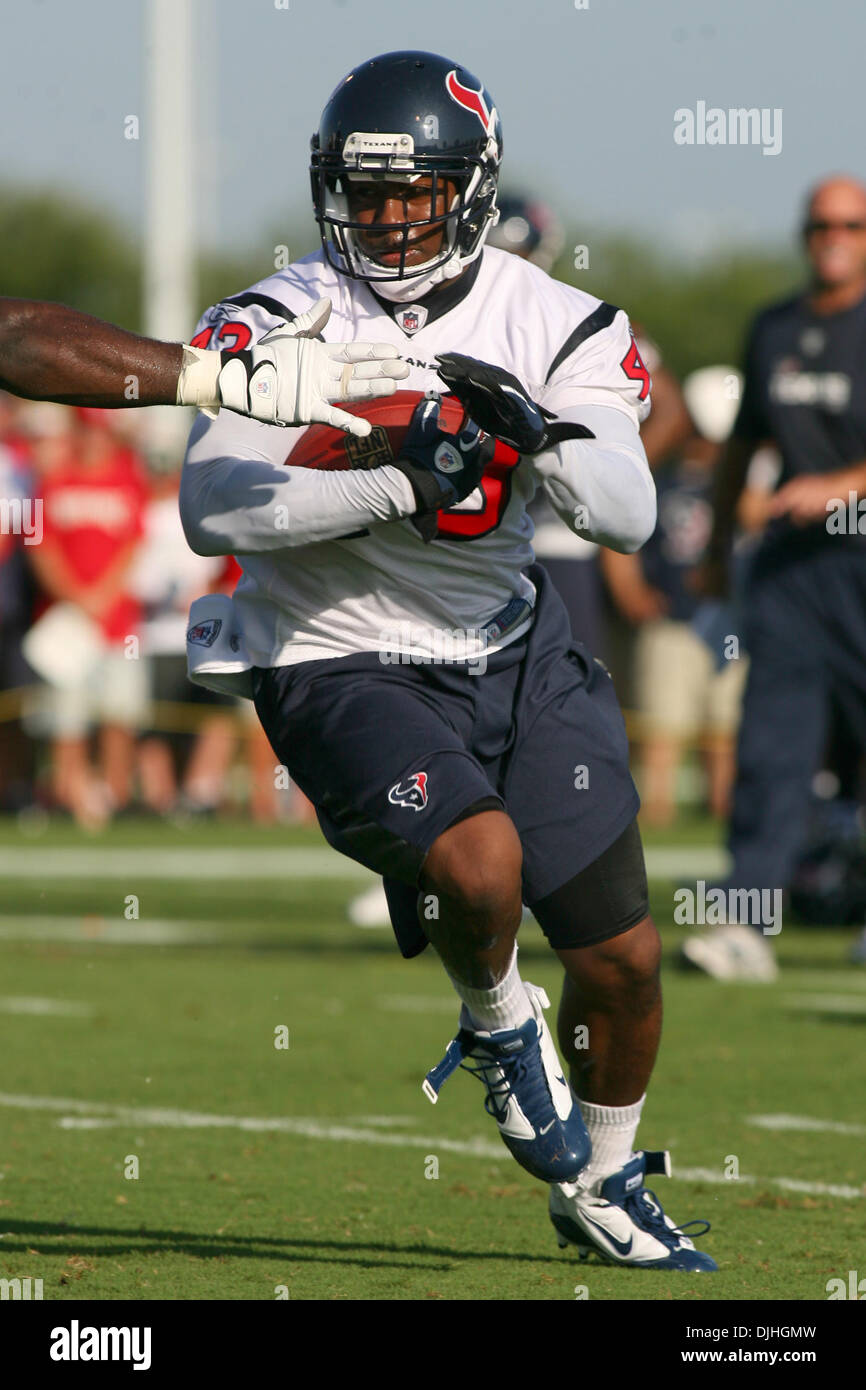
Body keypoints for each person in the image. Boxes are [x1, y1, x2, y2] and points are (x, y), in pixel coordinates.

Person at [180, 50, 715, 1271]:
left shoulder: (554, 316)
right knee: (480, 869)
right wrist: (387, 482)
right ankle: (491, 1015)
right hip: (336, 653)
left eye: (409, 192)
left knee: (623, 958)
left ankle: (604, 1175)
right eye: (361, 194)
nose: (383, 218)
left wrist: (544, 435)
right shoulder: (284, 311)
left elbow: (623, 512)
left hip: (513, 648)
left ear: (469, 187)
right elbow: (210, 508)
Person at [685, 175, 866, 981]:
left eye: (852, 225)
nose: (834, 235)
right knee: (772, 744)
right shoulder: (774, 328)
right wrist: (718, 547)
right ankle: (746, 917)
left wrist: (844, 487)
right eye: (820, 223)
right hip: (793, 573)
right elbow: (739, 451)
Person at [603, 366, 748, 826]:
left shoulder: (743, 480)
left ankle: (721, 812)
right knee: (662, 732)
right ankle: (655, 817)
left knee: (724, 733)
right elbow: (623, 537)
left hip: (730, 624)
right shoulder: (661, 478)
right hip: (671, 622)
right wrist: (633, 593)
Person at [0, 297, 408, 434]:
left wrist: (216, 377)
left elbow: (16, 338)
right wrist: (399, 488)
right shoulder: (275, 298)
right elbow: (207, 518)